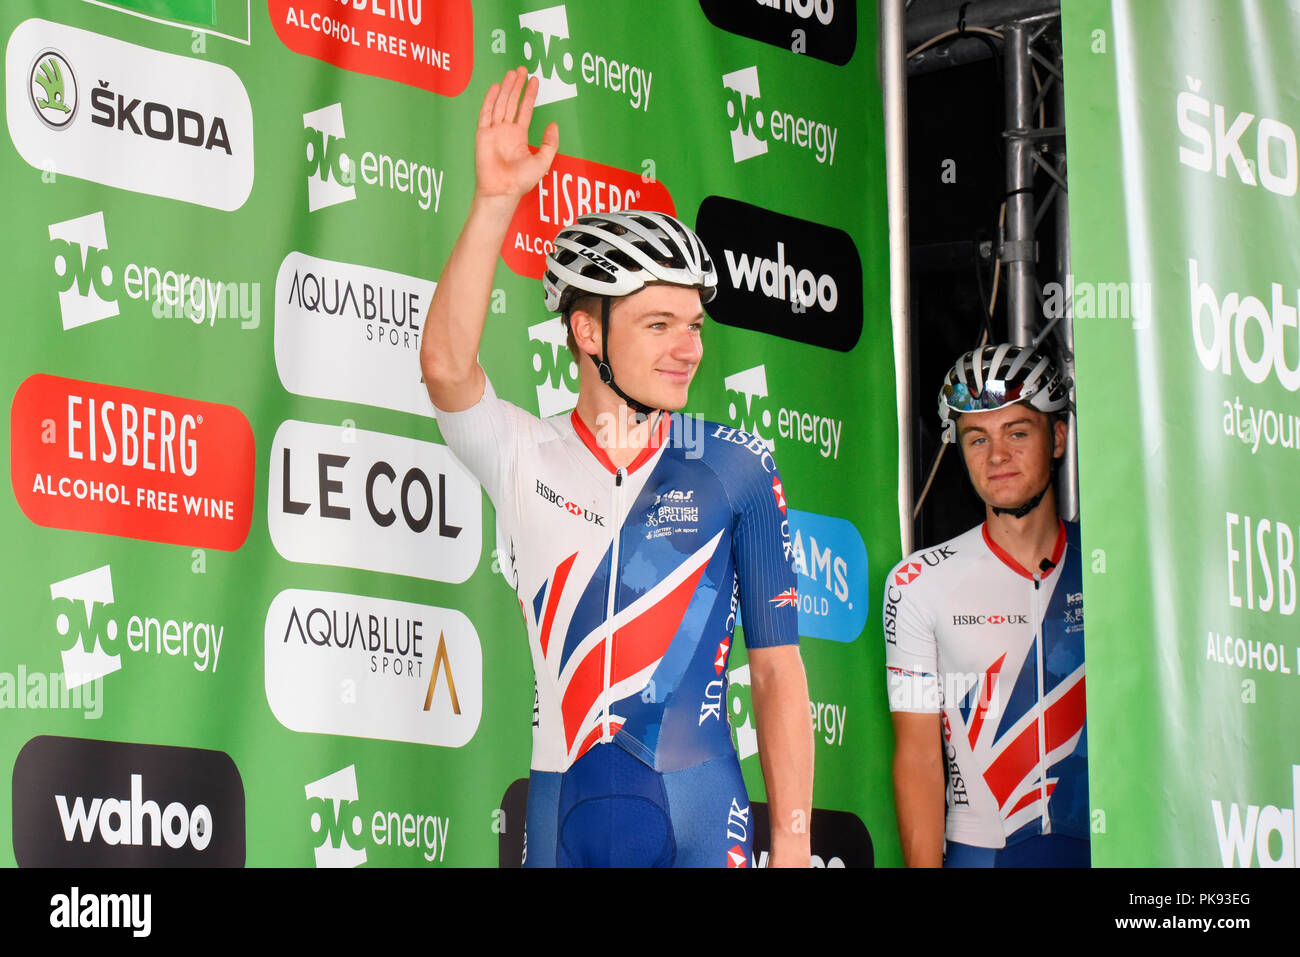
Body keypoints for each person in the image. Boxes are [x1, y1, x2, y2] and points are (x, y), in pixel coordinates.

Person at [420, 67, 813, 867]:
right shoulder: (523, 452)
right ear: (587, 333)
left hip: (704, 817)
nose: (689, 349)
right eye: (659, 323)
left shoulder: (737, 464)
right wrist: (496, 202)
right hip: (566, 814)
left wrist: (797, 849)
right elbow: (445, 366)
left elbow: (777, 673)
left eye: (694, 325)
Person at [885, 343, 1089, 867]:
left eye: (1017, 433)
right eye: (977, 439)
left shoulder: (1111, 565)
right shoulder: (917, 584)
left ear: (1058, 437)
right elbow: (919, 758)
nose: (997, 457)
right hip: (984, 852)